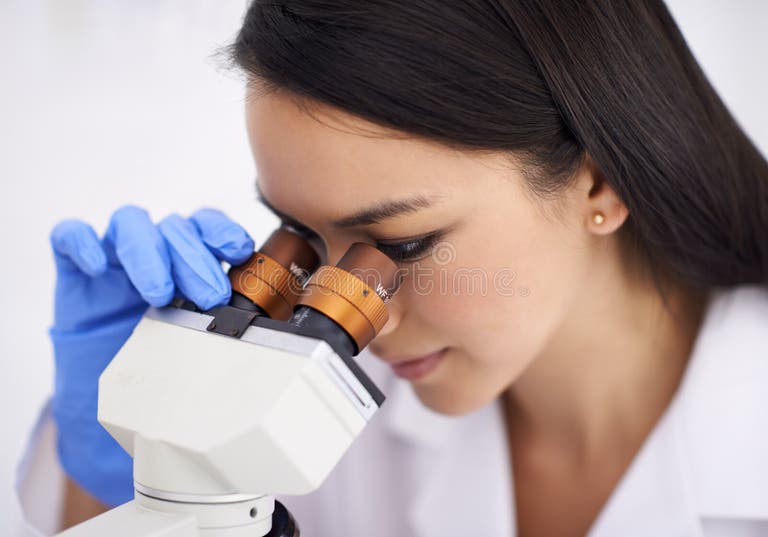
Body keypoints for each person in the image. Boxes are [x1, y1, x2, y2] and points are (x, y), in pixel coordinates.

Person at [17, 1, 768, 536]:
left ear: (600, 181)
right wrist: (146, 466)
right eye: (299, 237)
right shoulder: (304, 422)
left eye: (400, 245)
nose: (364, 320)